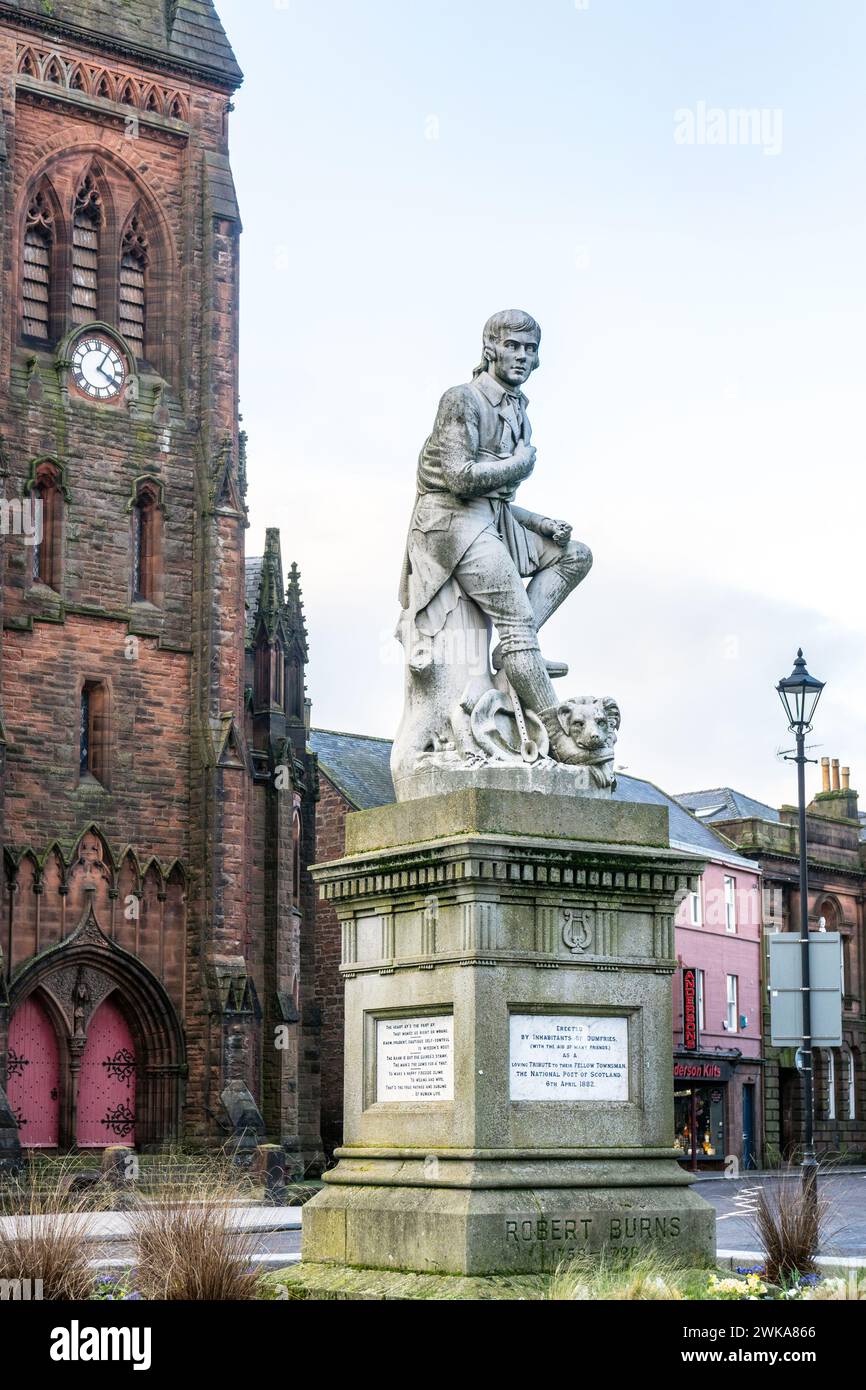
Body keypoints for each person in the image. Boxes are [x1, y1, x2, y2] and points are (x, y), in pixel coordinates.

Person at [398, 309, 593, 756]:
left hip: (494, 517)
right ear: (490, 348)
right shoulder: (461, 399)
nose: (522, 357)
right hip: (450, 524)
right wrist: (521, 464)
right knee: (516, 622)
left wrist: (539, 523)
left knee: (575, 555)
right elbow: (461, 478)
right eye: (512, 346)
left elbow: (498, 496)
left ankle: (515, 653)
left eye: (530, 349)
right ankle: (558, 737)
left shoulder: (520, 411)